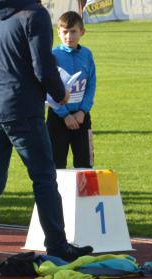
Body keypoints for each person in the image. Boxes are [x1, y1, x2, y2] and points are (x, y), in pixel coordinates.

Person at [0, 0, 92, 268]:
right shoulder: (35, 15)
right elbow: (42, 65)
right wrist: (60, 93)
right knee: (44, 177)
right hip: (23, 108)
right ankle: (57, 244)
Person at [47, 11, 95, 169]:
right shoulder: (52, 56)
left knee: (85, 163)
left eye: (73, 31)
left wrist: (83, 111)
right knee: (56, 163)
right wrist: (65, 115)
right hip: (58, 118)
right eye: (65, 32)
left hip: (82, 118)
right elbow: (48, 90)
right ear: (58, 33)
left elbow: (91, 85)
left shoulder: (87, 55)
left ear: (82, 32)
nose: (69, 36)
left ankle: (83, 194)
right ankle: (57, 194)